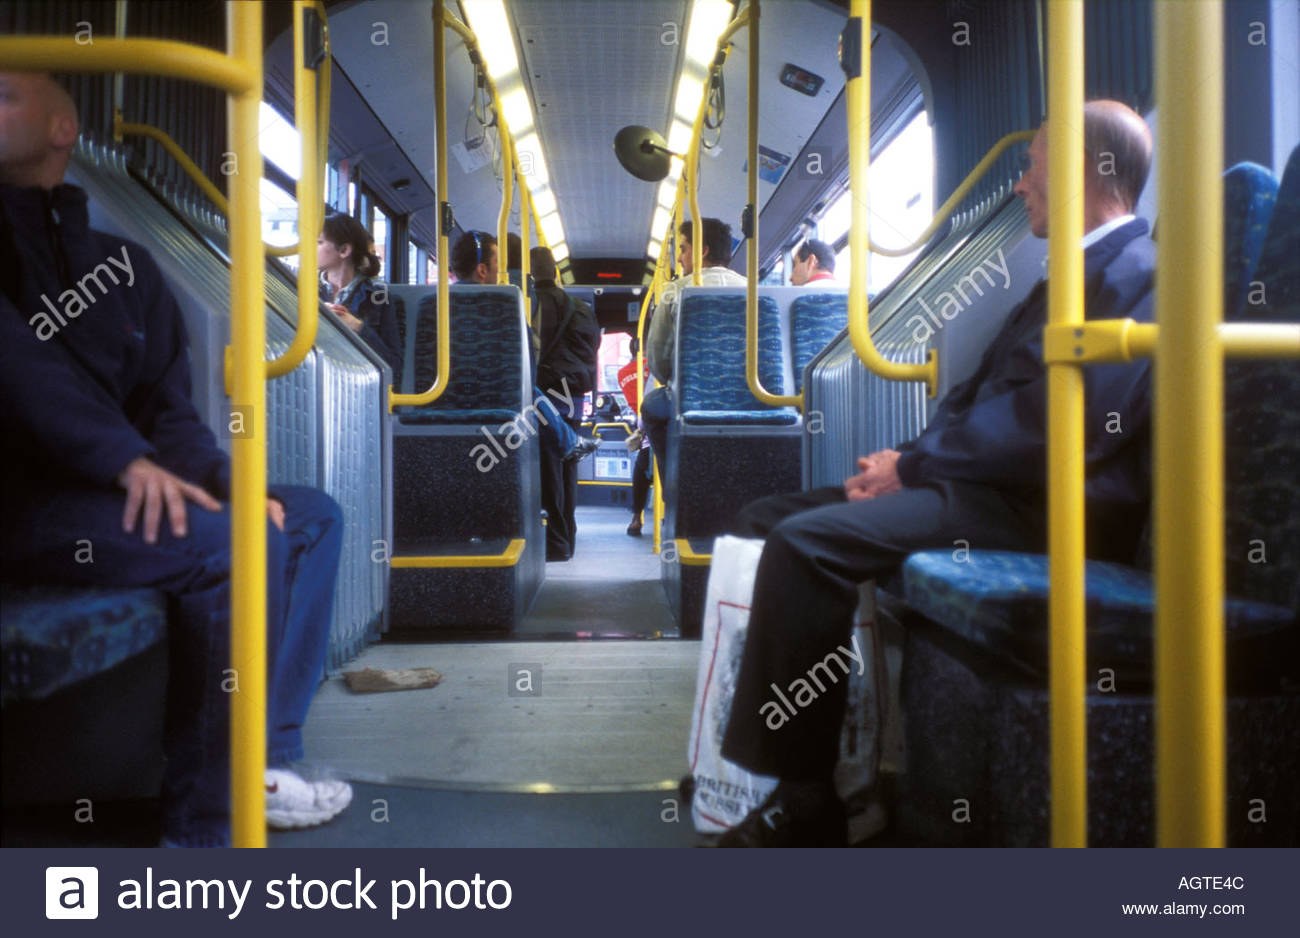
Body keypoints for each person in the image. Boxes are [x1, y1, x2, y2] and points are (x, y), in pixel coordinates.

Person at [712, 100, 1157, 847]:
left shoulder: (1135, 276)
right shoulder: (1072, 276)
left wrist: (914, 465)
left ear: (1087, 169)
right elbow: (979, 399)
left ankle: (806, 796)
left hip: (1045, 510)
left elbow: (1057, 427)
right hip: (982, 489)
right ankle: (765, 763)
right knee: (762, 519)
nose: (1021, 186)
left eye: (1034, 165)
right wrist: (902, 466)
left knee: (807, 545)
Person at [0, 72, 352, 845]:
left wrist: (226, 479)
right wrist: (123, 458)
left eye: (6, 95)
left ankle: (272, 756)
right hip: (32, 501)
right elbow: (19, 372)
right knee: (238, 544)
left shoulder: (124, 267)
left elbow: (169, 407)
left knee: (309, 516)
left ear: (64, 127)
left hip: (118, 498)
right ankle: (206, 832)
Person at [641, 218, 746, 476]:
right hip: (749, 397)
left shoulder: (675, 291)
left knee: (651, 407)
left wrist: (674, 379)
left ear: (702, 251)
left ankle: (673, 486)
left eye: (683, 249)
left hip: (691, 399)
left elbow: (658, 359)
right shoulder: (754, 289)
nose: (679, 258)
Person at [532, 245, 602, 561]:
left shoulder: (529, 303)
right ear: (555, 272)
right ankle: (568, 538)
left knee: (549, 469)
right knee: (567, 467)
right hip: (573, 395)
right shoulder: (581, 308)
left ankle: (556, 543)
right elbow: (593, 347)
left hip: (545, 394)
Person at [318, 212, 403, 383]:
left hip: (357, 389)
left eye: (319, 242)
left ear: (344, 250)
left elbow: (394, 367)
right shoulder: (301, 292)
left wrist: (358, 327)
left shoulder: (379, 298)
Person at [617, 336, 652, 536]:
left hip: (645, 430)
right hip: (659, 428)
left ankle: (636, 517)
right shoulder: (659, 367)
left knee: (641, 470)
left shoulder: (623, 373)